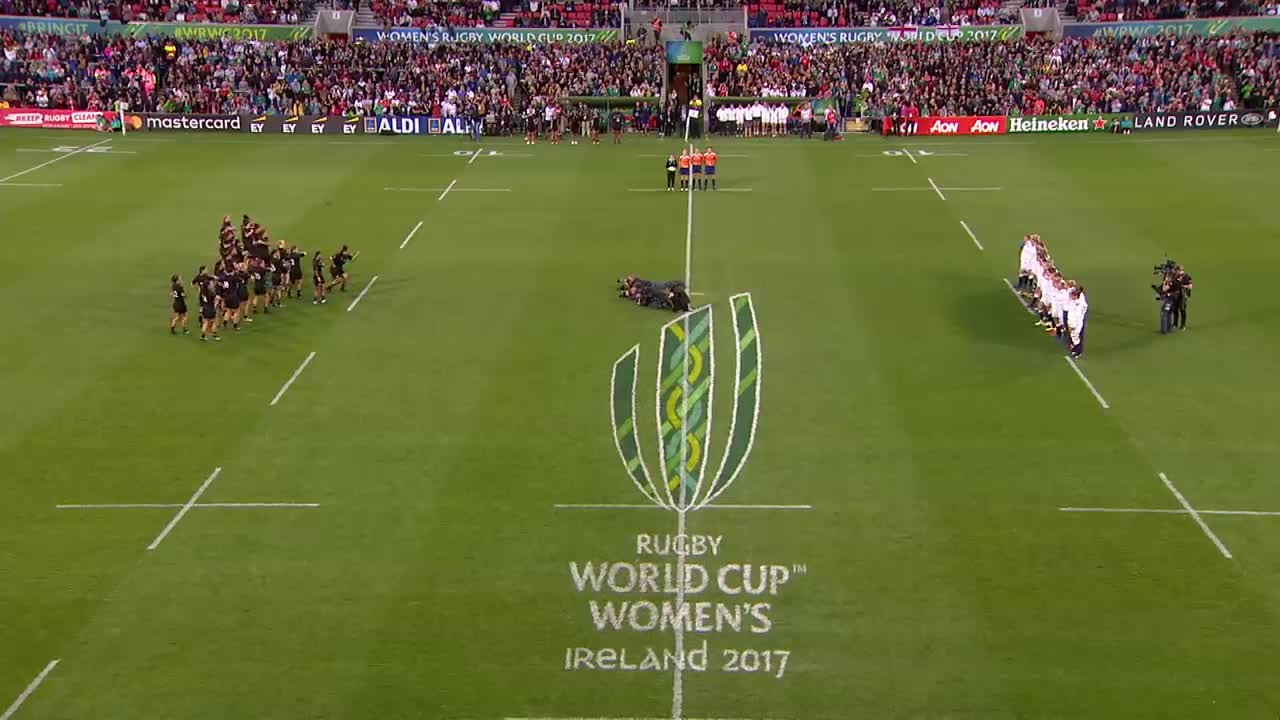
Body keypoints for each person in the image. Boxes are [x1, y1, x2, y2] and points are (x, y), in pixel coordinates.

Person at [198, 277, 221, 341]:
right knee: (214, 321)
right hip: (210, 308)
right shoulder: (211, 293)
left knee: (205, 322)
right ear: (208, 286)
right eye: (211, 284)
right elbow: (217, 299)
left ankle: (202, 336)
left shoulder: (202, 292)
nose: (212, 284)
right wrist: (216, 305)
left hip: (205, 308)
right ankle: (215, 335)